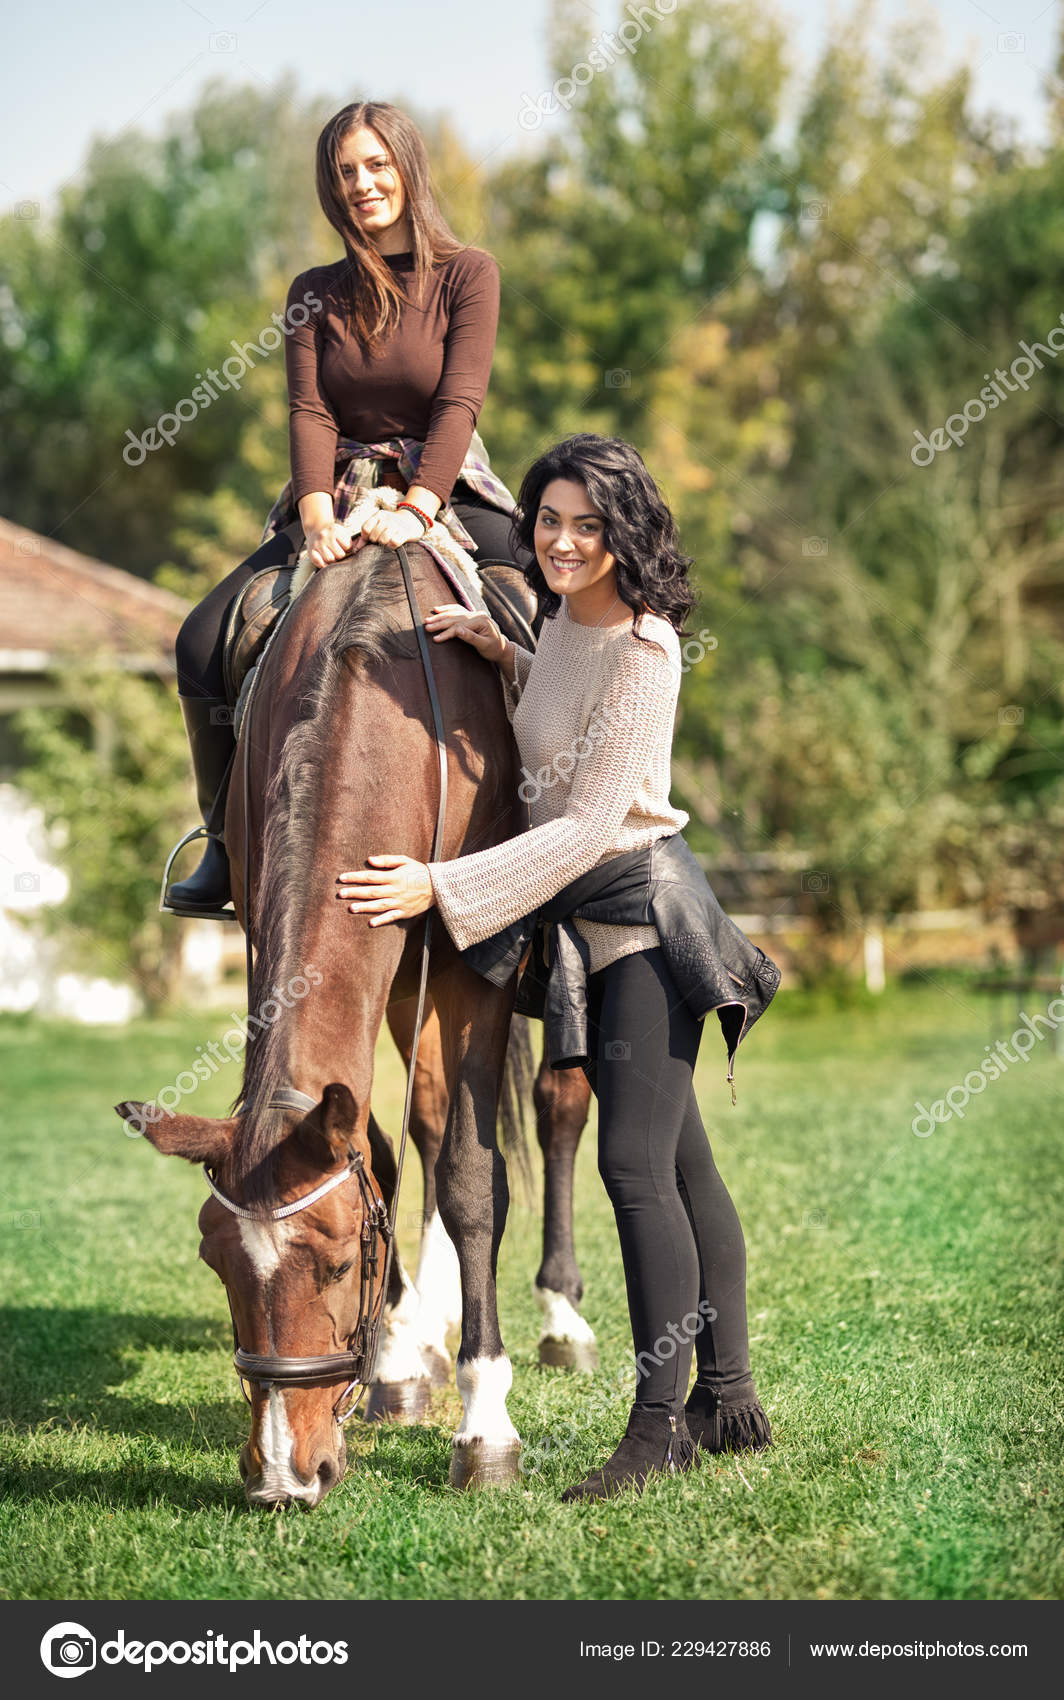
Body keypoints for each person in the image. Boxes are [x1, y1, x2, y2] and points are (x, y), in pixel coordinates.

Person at [336, 433, 774, 1502]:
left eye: (587, 524)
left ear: (625, 532)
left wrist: (442, 885)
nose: (564, 540)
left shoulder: (646, 646)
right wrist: (504, 650)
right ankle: (728, 1395)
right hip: (588, 918)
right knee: (685, 1168)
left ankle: (658, 1426)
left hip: (637, 921)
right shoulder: (558, 624)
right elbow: (559, 726)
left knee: (633, 1168)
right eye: (548, 520)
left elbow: (587, 822)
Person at [168, 99, 524, 915]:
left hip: (447, 482)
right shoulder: (312, 292)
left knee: (532, 608)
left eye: (376, 164)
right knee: (198, 641)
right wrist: (319, 516)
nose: (363, 184)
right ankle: (223, 845)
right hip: (334, 491)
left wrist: (422, 504)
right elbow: (310, 414)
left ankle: (562, 842)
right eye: (344, 172)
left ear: (406, 166)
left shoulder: (468, 273)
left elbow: (459, 399)